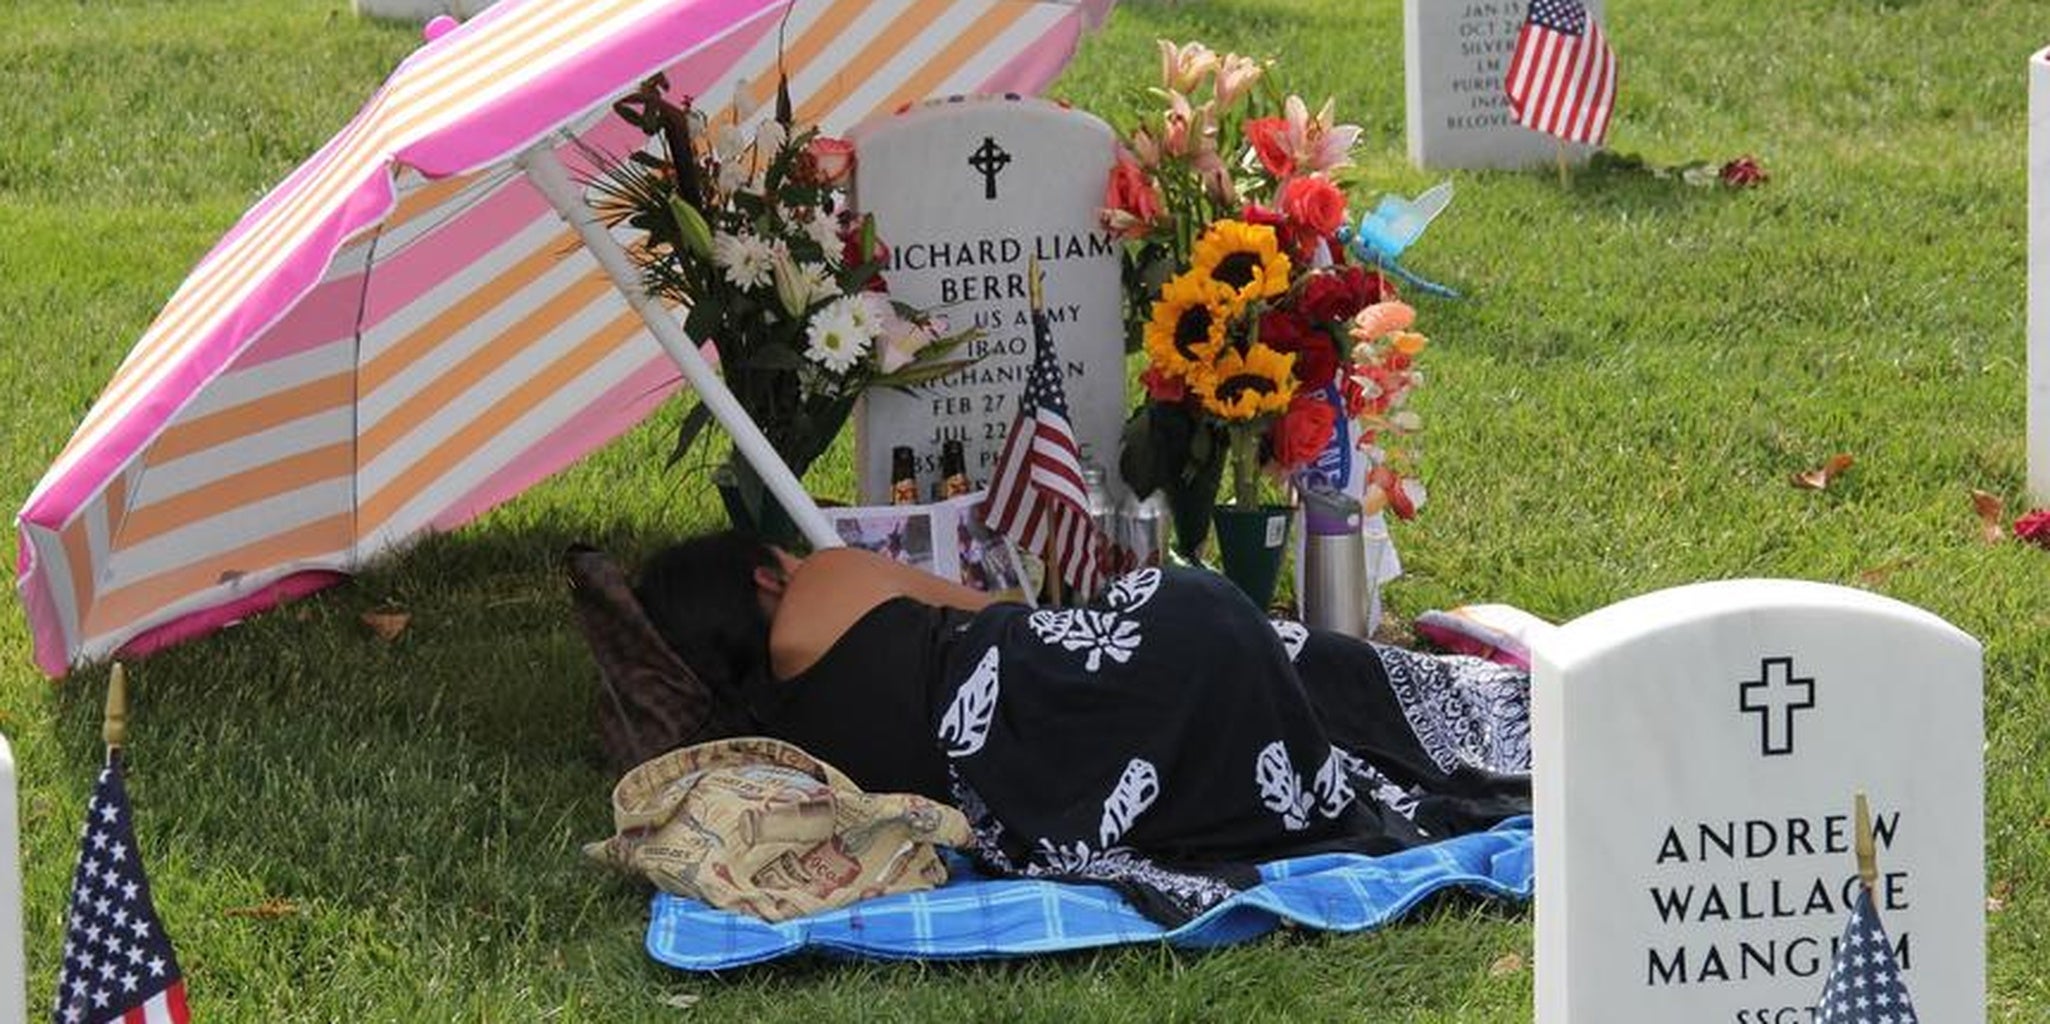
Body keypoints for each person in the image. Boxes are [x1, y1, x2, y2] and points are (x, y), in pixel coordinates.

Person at [634, 529, 1531, 925]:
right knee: (1231, 630)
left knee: (1261, 676)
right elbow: (1002, 607)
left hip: (1055, 795)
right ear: (761, 577)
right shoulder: (820, 583)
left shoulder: (787, 747)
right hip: (1077, 684)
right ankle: (1477, 712)